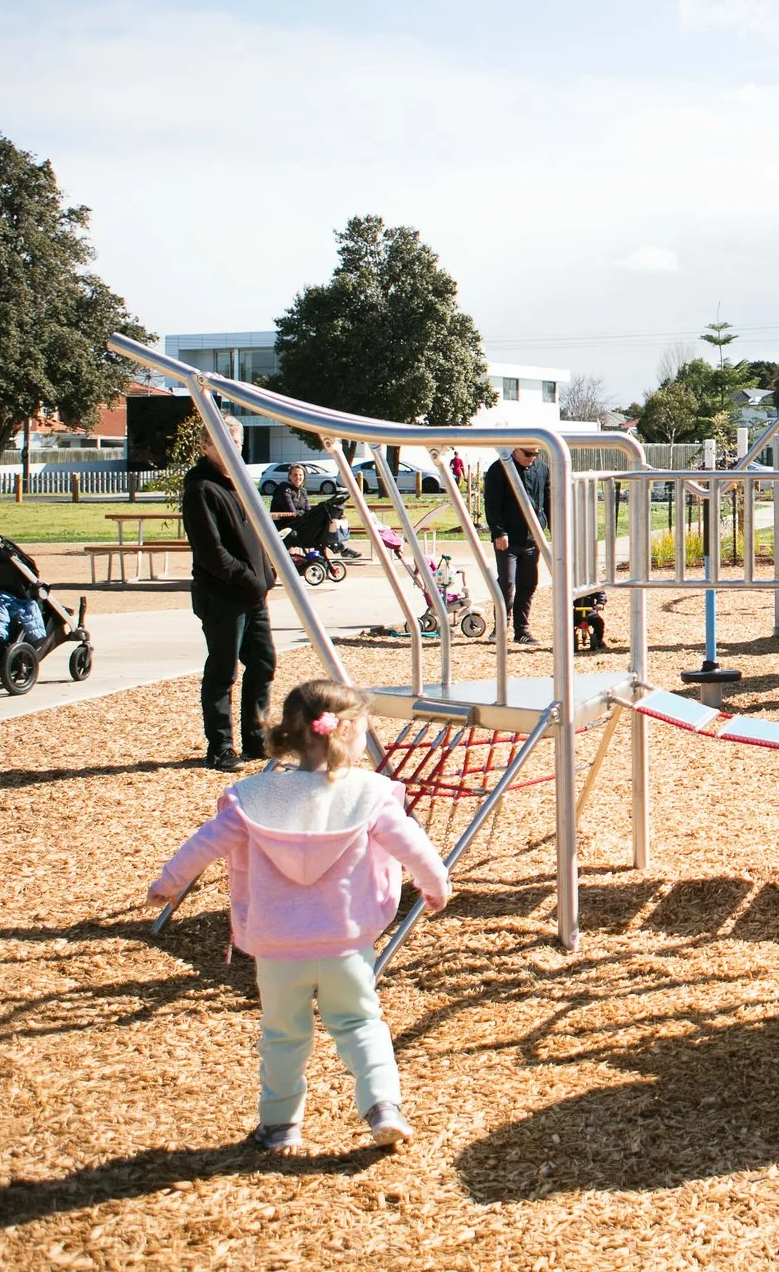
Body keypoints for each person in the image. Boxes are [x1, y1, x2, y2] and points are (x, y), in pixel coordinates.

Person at [149, 681, 453, 1153]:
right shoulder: (368, 795)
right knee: (360, 1023)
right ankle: (383, 1106)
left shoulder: (256, 797)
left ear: (291, 735)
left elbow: (205, 843)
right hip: (345, 942)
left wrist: (168, 884)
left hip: (277, 945)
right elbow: (414, 846)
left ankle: (279, 1124)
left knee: (283, 1034)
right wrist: (435, 887)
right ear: (347, 733)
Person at [181, 416, 279, 770]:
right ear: (206, 446)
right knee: (223, 670)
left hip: (254, 594)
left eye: (236, 443)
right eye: (223, 443)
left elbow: (257, 535)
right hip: (223, 595)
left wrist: (268, 571)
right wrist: (248, 578)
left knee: (264, 663)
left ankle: (256, 738)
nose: (232, 449)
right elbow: (211, 552)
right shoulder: (201, 489)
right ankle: (220, 747)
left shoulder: (239, 484)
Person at [483, 443, 552, 647]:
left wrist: (553, 529)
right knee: (507, 582)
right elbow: (492, 503)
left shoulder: (542, 469)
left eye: (536, 453)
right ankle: (500, 627)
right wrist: (498, 531)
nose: (532, 457)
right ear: (516, 449)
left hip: (533, 536)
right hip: (509, 538)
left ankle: (522, 630)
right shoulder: (499, 469)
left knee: (528, 583)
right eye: (528, 453)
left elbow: (548, 499)